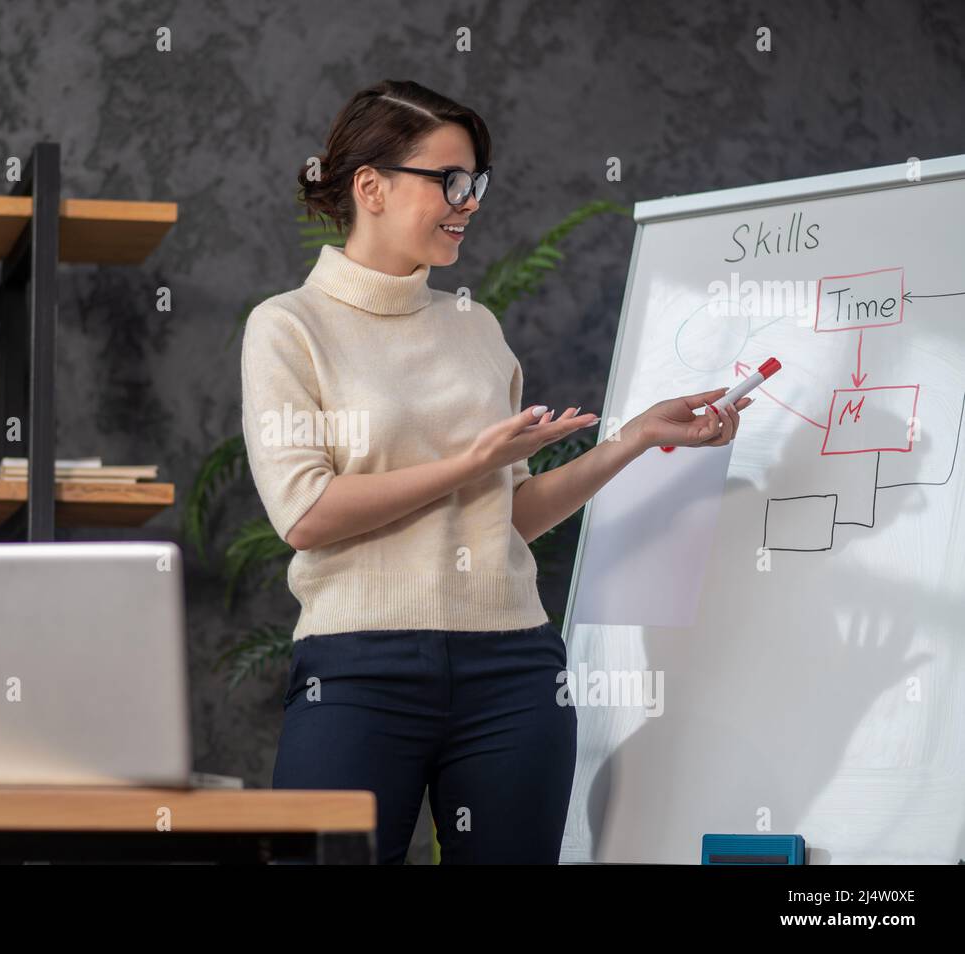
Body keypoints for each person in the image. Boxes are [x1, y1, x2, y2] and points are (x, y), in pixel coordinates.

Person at [240, 79, 750, 864]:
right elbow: (305, 514)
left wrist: (634, 439)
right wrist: (469, 461)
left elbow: (501, 517)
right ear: (369, 187)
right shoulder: (288, 327)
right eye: (448, 180)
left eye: (474, 182)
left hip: (512, 668)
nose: (468, 201)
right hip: (357, 670)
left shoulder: (475, 325)